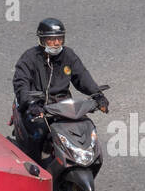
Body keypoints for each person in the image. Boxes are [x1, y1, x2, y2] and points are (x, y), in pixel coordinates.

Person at [12, 18, 108, 164]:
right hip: (37, 106)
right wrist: (30, 103)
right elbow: (21, 84)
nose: (57, 43)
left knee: (85, 125)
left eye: (60, 38)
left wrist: (98, 95)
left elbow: (82, 76)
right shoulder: (29, 58)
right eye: (52, 39)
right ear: (42, 40)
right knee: (40, 131)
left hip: (62, 106)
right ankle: (34, 167)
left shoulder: (68, 55)